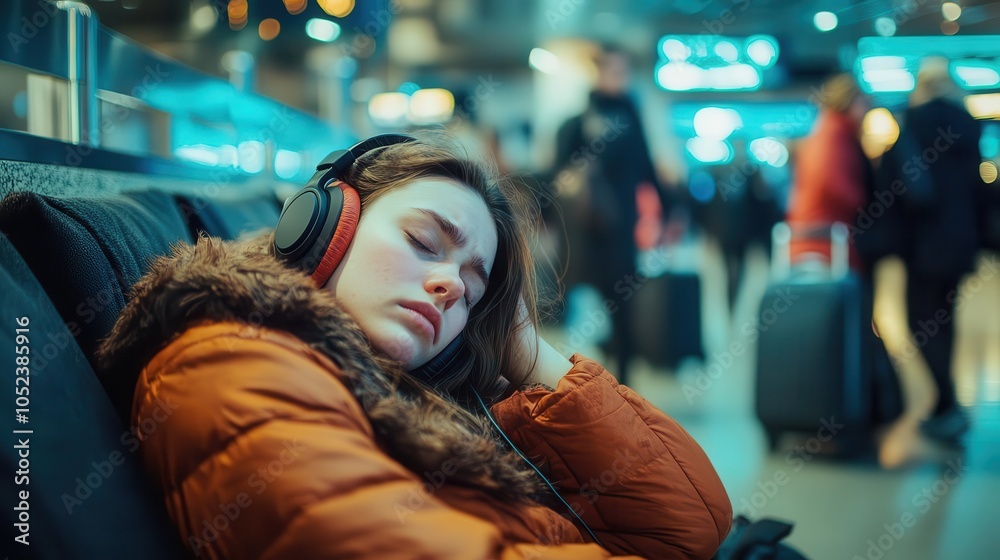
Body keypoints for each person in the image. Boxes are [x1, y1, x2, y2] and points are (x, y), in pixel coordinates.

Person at [96, 133, 732, 559]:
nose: (450, 285)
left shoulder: (420, 399)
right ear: (321, 228)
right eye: (425, 243)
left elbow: (688, 528)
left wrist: (525, 349)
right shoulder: (233, 359)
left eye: (473, 288)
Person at [862, 57, 982, 445]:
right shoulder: (969, 125)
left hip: (924, 242)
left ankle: (948, 403)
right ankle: (945, 406)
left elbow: (896, 186)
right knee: (945, 319)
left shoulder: (914, 122)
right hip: (961, 242)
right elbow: (979, 188)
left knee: (919, 322)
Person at [552, 44, 671, 385]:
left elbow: (647, 170)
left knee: (622, 308)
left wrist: (669, 212)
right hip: (585, 232)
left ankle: (621, 384)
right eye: (612, 69)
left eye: (623, 70)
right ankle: (579, 382)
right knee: (580, 306)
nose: (619, 77)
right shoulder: (577, 123)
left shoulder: (632, 119)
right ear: (599, 72)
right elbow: (556, 177)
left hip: (620, 231)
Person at [786, 73, 872, 271]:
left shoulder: (828, 130)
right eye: (862, 103)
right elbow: (831, 183)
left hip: (816, 235)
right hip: (823, 239)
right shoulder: (834, 135)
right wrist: (864, 202)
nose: (866, 110)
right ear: (849, 101)